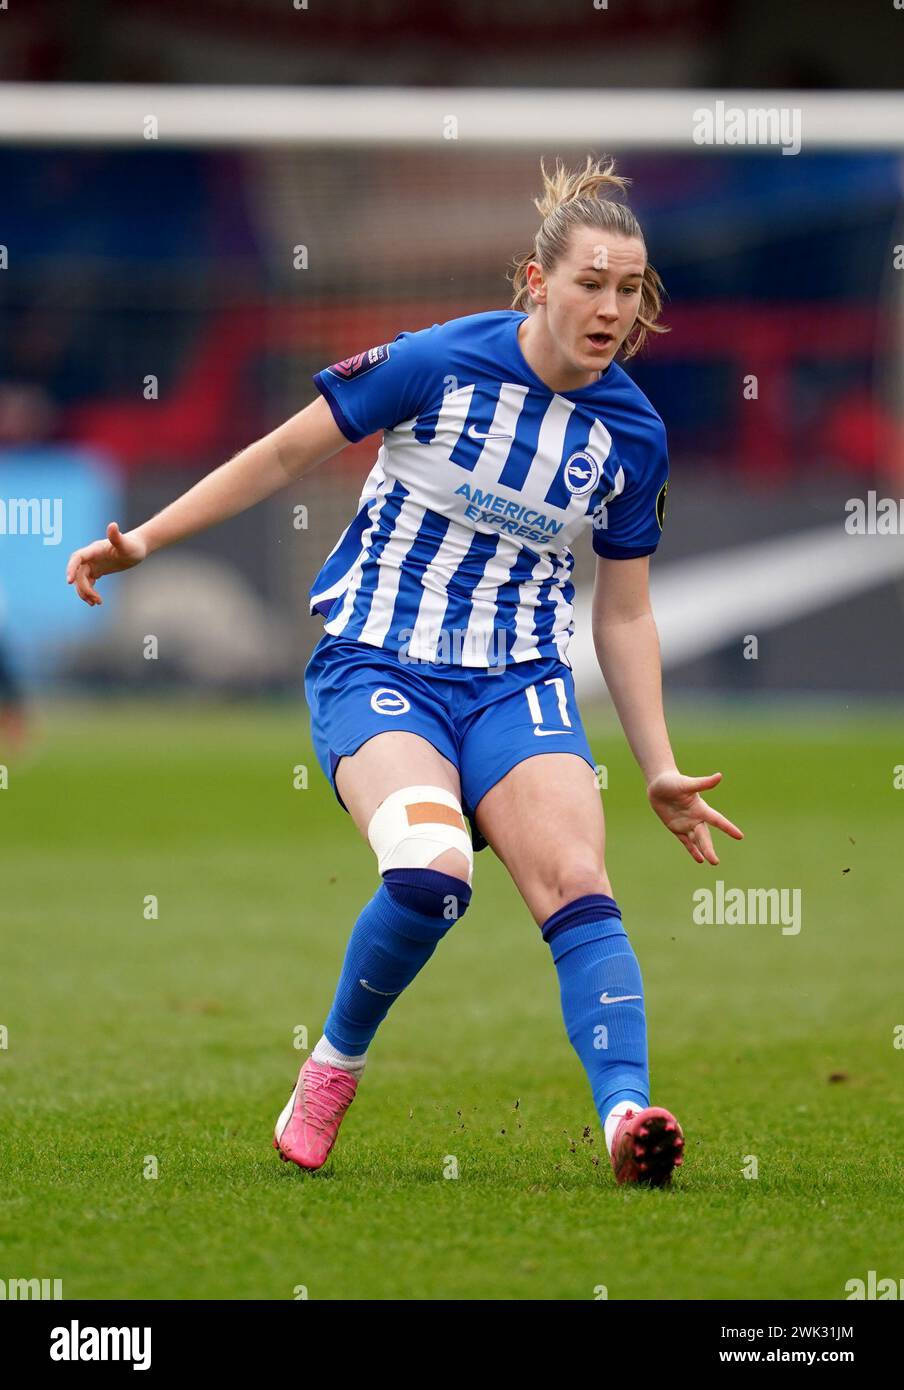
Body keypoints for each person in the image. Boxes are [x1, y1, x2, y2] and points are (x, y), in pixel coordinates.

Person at [67, 155, 743, 1188]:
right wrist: (144, 541)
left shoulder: (632, 434)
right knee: (432, 873)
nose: (610, 307)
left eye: (628, 288)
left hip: (517, 682)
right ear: (535, 281)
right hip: (377, 662)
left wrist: (657, 763)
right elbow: (282, 455)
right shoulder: (436, 362)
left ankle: (624, 1116)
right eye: (589, 284)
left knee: (577, 883)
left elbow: (626, 606)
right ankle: (333, 1065)